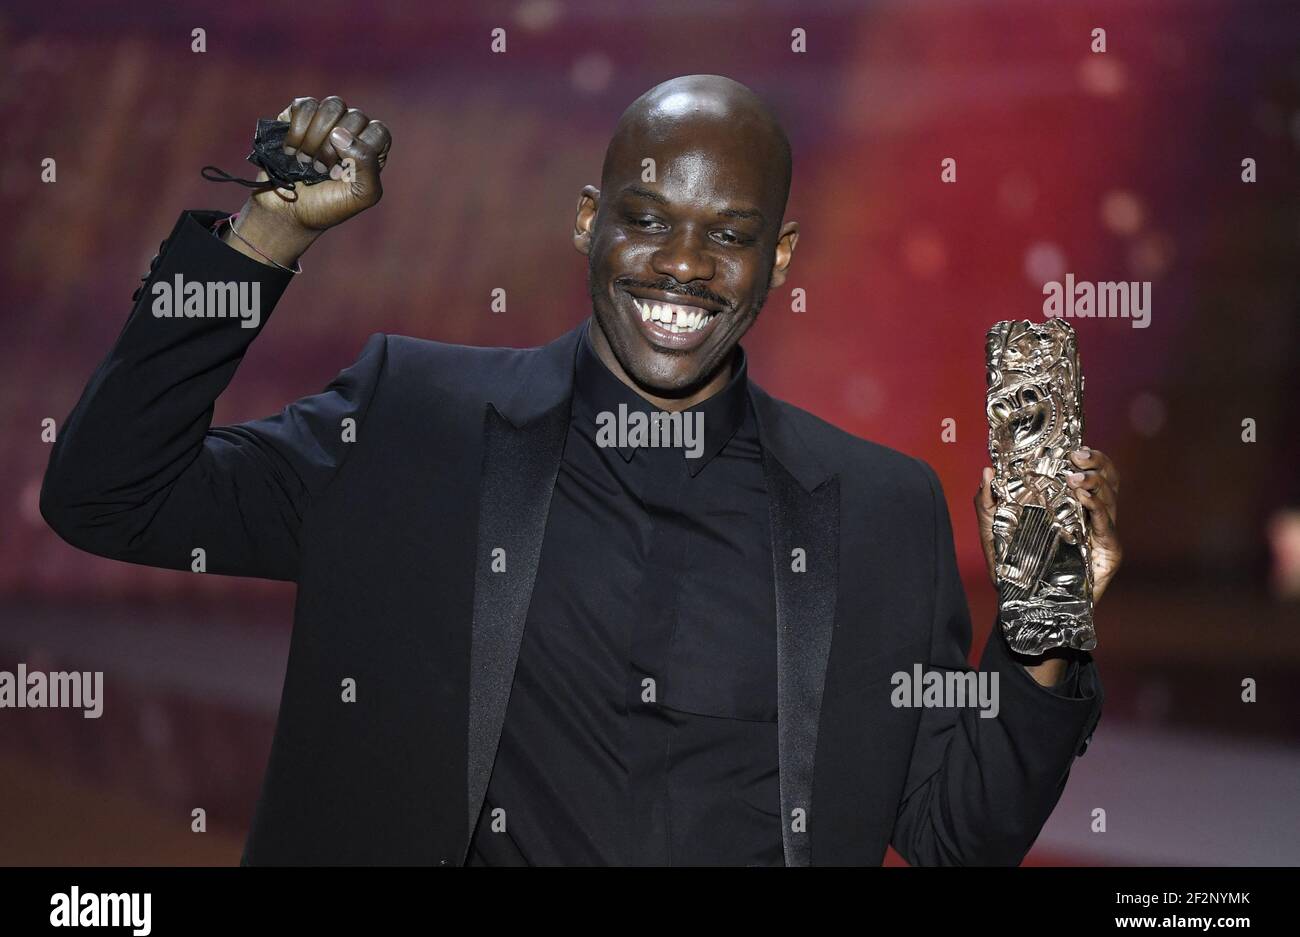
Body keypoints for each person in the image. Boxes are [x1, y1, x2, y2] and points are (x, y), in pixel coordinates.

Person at [40, 75, 1121, 866]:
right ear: (586, 221)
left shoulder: (880, 509)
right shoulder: (412, 423)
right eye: (647, 218)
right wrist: (264, 234)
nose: (684, 264)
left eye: (729, 234)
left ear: (779, 259)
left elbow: (951, 833)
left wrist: (1045, 634)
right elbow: (108, 494)